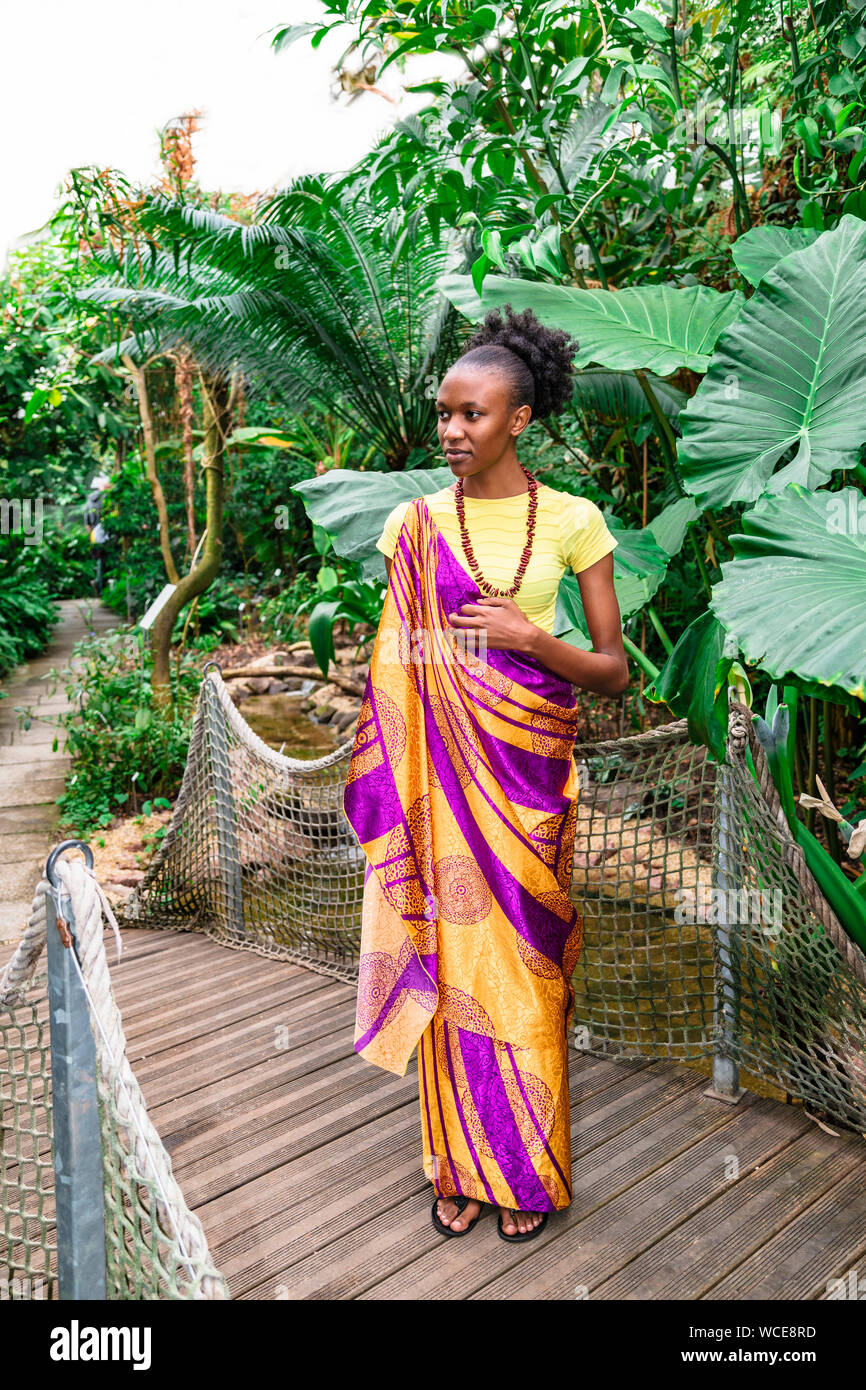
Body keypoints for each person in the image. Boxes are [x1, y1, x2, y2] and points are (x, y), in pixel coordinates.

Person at [343, 304, 628, 1244]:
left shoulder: (575, 522)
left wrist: (531, 639)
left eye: (472, 414)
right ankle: (456, 1163)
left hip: (530, 793)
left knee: (525, 976)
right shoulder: (414, 523)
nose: (452, 431)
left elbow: (613, 670)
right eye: (445, 413)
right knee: (456, 965)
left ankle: (526, 1165)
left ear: (520, 420)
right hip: (442, 791)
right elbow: (399, 661)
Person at [84, 472, 112, 596]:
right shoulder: (107, 498)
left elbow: (87, 522)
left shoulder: (90, 500)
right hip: (106, 533)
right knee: (106, 559)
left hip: (94, 534)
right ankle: (100, 587)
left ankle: (99, 584)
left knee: (100, 559)